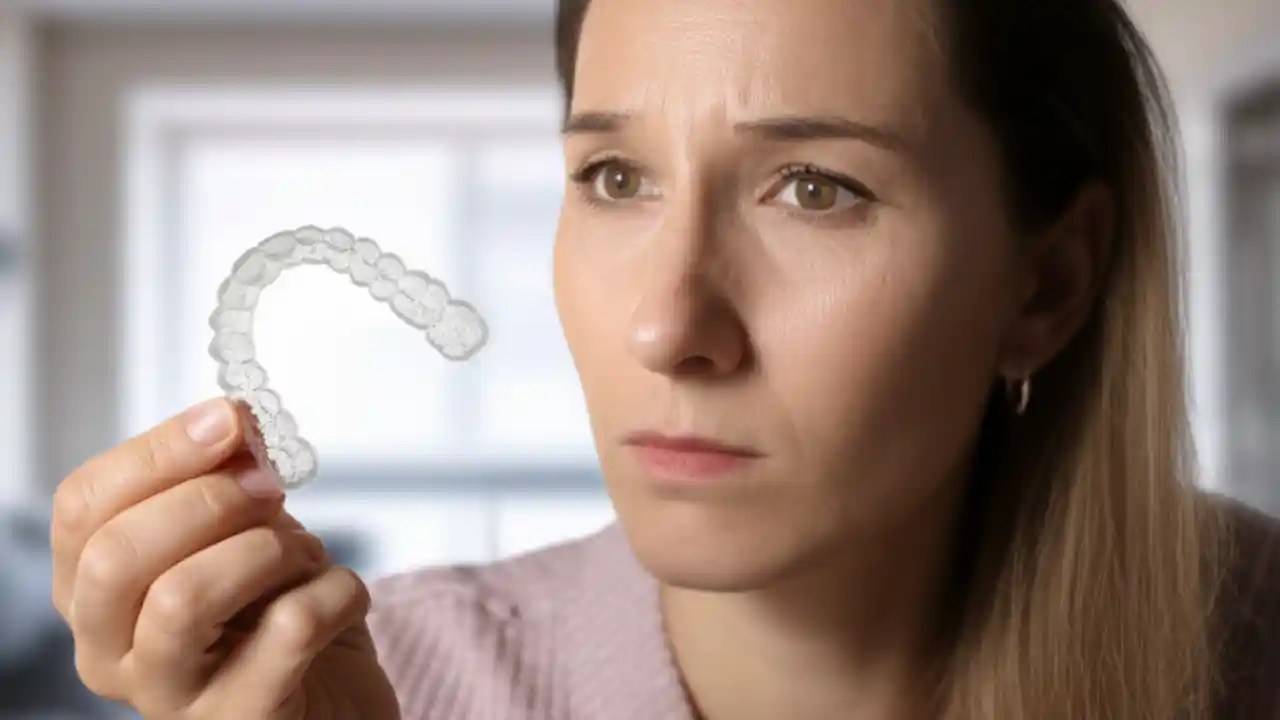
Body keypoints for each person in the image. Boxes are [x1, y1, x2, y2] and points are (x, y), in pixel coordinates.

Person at [49, 0, 1280, 718]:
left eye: (814, 188)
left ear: (1046, 282)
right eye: (614, 177)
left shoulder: (1252, 639)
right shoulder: (394, 684)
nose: (663, 326)